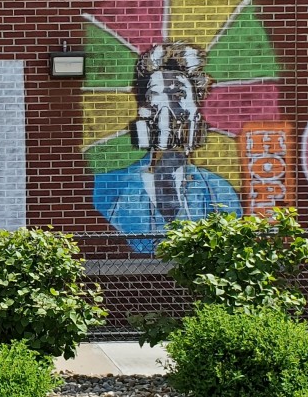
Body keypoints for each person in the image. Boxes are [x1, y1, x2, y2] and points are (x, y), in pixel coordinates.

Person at [92, 40, 240, 252]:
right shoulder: (107, 189)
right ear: (143, 111)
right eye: (155, 97)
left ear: (196, 110)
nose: (166, 109)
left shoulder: (219, 192)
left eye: (178, 95)